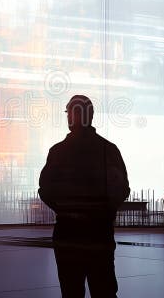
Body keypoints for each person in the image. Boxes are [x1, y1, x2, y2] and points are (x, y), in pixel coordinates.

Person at [39, 95, 129, 298]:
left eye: (70, 112)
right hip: (99, 233)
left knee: (71, 291)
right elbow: (122, 188)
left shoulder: (58, 151)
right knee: (103, 290)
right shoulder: (108, 150)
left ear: (73, 115)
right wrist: (104, 211)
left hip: (67, 234)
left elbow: (45, 189)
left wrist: (65, 209)